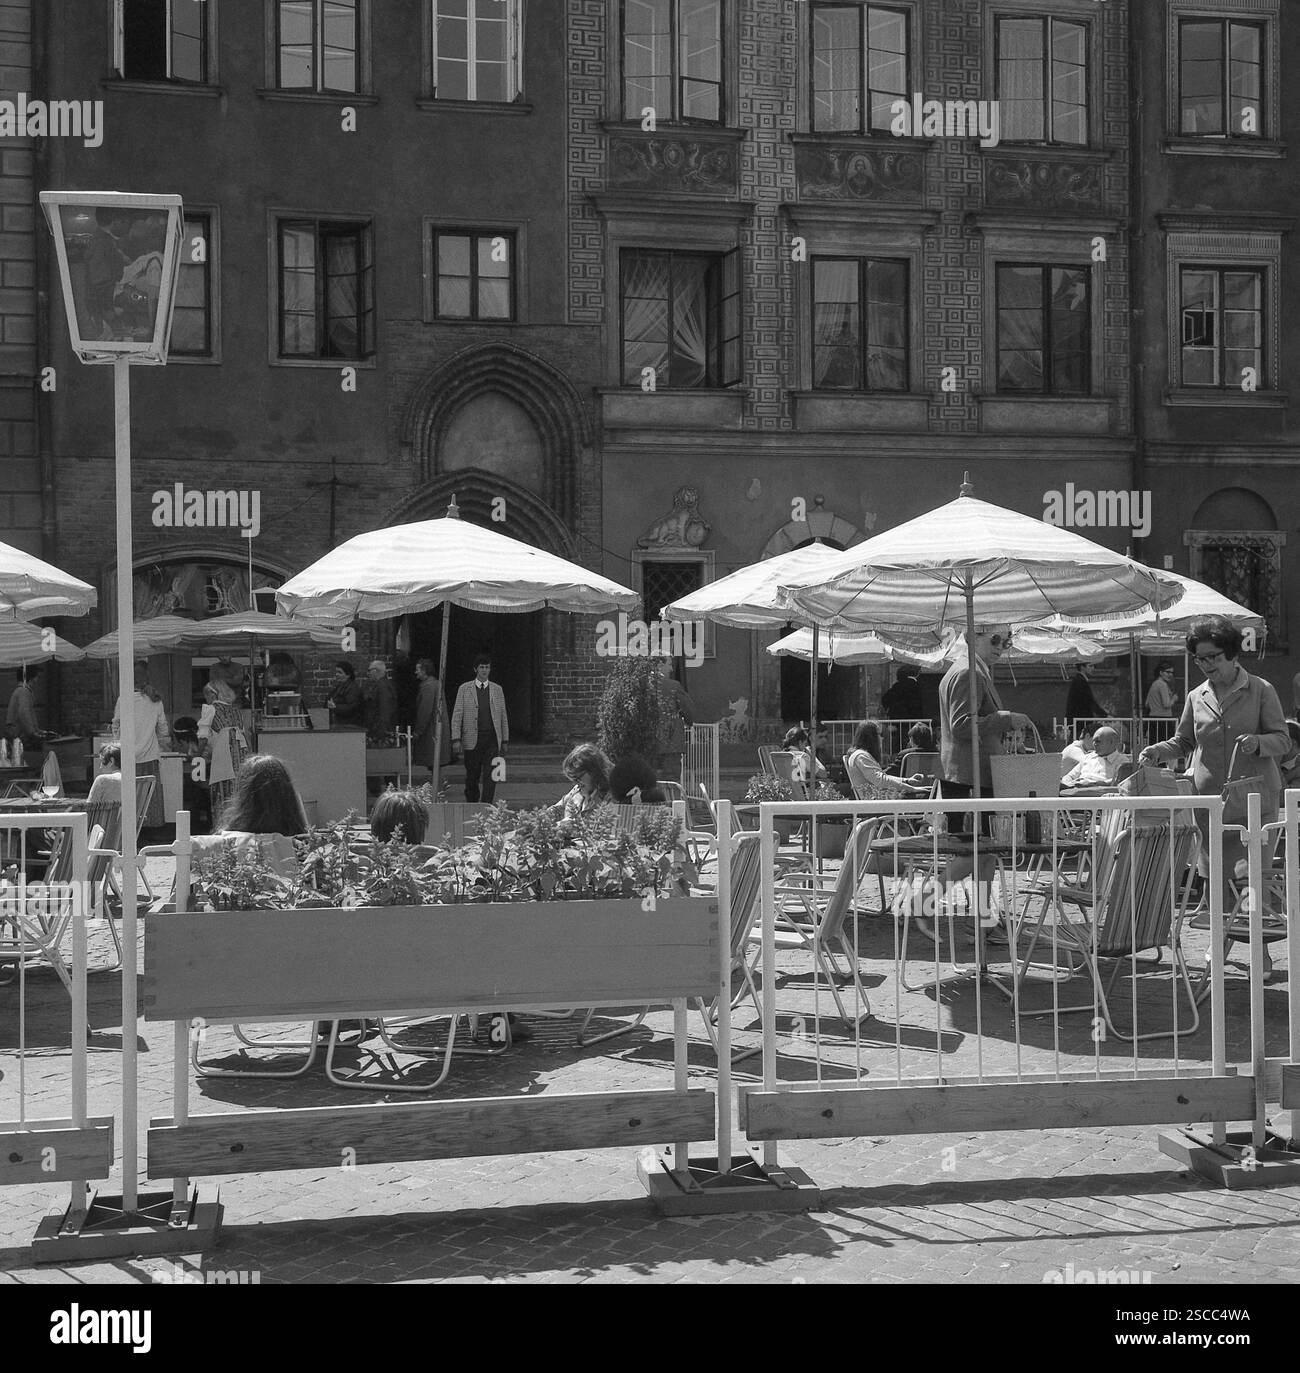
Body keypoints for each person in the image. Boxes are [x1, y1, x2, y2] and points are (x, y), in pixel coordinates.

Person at [1138, 616, 1290, 906]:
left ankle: (1262, 951)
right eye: (1199, 659)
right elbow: (1184, 742)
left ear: (1232, 653)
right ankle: (1217, 946)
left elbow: (1283, 740)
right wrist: (1157, 751)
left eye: (1213, 657)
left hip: (1255, 804)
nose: (1207, 664)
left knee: (1252, 884)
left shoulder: (1261, 689)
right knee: (1217, 884)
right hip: (1211, 804)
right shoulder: (1196, 696)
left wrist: (1258, 743)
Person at [938, 626, 1032, 835]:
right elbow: (961, 725)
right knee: (972, 851)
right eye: (995, 640)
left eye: (1006, 642)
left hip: (971, 774)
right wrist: (1005, 719)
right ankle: (946, 871)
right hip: (971, 776)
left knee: (985, 851)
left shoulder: (971, 670)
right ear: (971, 637)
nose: (1000, 647)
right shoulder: (968, 672)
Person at [112, 660, 170, 829]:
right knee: (150, 796)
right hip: (150, 755)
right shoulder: (155, 700)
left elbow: (116, 723)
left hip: (126, 756)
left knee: (128, 796)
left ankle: (130, 829)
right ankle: (153, 828)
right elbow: (163, 728)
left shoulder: (124, 699)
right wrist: (164, 744)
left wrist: (117, 741)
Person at [451, 654, 509, 803]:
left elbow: (503, 716)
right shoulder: (464, 689)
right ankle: (472, 802)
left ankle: (486, 804)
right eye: (482, 667)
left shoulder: (497, 689)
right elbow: (457, 714)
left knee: (492, 775)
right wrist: (456, 738)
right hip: (472, 739)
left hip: (492, 738)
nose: (485, 670)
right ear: (475, 669)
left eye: (487, 667)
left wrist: (505, 740)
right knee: (472, 775)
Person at [197, 678, 250, 822]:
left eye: (207, 695)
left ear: (213, 695)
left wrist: (197, 756)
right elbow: (245, 735)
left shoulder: (210, 709)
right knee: (238, 786)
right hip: (240, 752)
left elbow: (203, 737)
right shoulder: (236, 711)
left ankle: (222, 823)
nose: (206, 699)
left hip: (224, 752)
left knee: (222, 786)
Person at [845, 721, 931, 800]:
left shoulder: (861, 755)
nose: (881, 738)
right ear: (871, 737)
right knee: (927, 794)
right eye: (879, 734)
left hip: (881, 798)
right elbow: (881, 780)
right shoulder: (861, 756)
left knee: (927, 793)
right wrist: (910, 788)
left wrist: (906, 780)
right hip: (877, 801)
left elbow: (882, 777)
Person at [655, 658, 696, 780]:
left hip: (648, 745)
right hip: (671, 744)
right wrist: (688, 721)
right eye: (669, 665)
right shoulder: (673, 686)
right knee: (671, 783)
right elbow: (690, 712)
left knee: (650, 784)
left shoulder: (640, 686)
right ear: (660, 665)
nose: (672, 669)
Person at [1061, 725, 1132, 790]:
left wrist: (1093, 783)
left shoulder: (1122, 761)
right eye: (1093, 741)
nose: (1094, 744)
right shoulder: (1088, 757)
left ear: (1111, 742)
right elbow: (1070, 776)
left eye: (1098, 741)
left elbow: (1119, 781)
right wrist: (1067, 783)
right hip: (1077, 791)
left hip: (1100, 795)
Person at [413, 657, 451, 775]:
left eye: (418, 670)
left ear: (424, 671)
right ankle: (438, 787)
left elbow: (425, 710)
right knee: (435, 764)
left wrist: (418, 731)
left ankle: (437, 789)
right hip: (436, 729)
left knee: (434, 762)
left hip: (431, 731)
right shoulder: (435, 684)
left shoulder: (428, 687)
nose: (416, 672)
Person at [553, 744, 613, 820]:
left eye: (579, 777)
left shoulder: (609, 797)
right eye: (573, 778)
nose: (576, 783)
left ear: (593, 771)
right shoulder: (577, 790)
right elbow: (555, 810)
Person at [782, 725, 828, 791]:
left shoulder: (781, 755)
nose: (805, 747)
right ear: (800, 742)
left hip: (786, 792)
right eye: (805, 744)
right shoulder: (802, 756)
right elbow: (823, 774)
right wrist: (811, 755)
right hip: (804, 794)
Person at [1065, 661, 1108, 729]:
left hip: (1079, 720)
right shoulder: (1080, 681)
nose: (1093, 668)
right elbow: (1089, 700)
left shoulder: (1079, 680)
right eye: (1090, 666)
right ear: (1082, 667)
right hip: (1080, 721)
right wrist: (1104, 715)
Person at [363, 659, 397, 743]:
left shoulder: (382, 686)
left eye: (369, 670)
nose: (368, 673)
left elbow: (385, 709)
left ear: (375, 671)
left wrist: (381, 732)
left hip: (380, 730)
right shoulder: (381, 684)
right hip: (378, 728)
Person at [6, 668, 40, 748]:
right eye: (36, 677)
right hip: (20, 736)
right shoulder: (23, 691)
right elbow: (24, 713)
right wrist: (32, 732)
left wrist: (37, 730)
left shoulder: (21, 690)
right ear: (32, 678)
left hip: (17, 734)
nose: (37, 680)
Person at [326, 660, 365, 729]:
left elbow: (351, 708)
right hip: (341, 724)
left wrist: (335, 707)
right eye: (336, 672)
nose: (337, 674)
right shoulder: (340, 686)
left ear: (348, 674)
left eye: (340, 672)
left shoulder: (353, 688)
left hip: (349, 726)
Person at [86, 741, 122, 806]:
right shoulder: (133, 780)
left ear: (111, 761)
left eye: (102, 761)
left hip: (107, 816)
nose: (100, 767)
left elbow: (89, 807)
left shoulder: (102, 780)